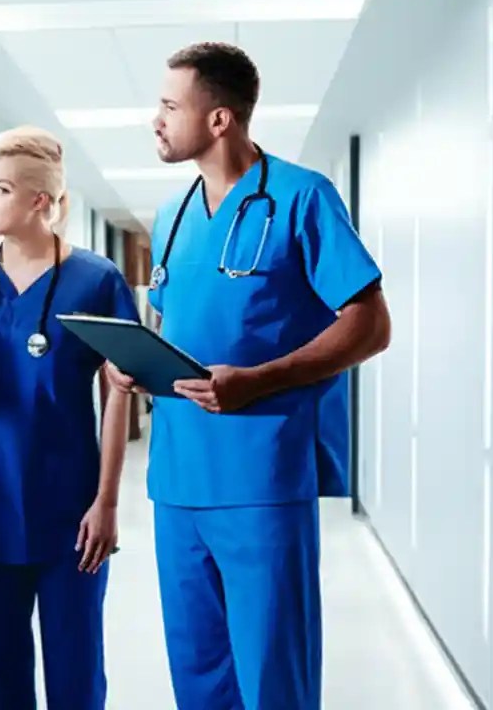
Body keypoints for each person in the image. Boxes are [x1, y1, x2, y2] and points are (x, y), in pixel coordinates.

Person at [104, 43, 392, 710]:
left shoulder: (300, 198)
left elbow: (371, 325)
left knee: (272, 680)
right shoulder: (172, 217)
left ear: (219, 119)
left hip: (259, 482)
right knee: (199, 678)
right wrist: (142, 369)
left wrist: (260, 379)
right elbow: (183, 334)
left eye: (171, 106)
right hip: (177, 487)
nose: (156, 119)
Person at [0, 125, 139, 710]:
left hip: (72, 510)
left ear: (40, 201)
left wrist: (108, 502)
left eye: (1, 189)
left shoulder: (97, 281)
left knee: (76, 673)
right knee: (2, 671)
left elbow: (119, 393)